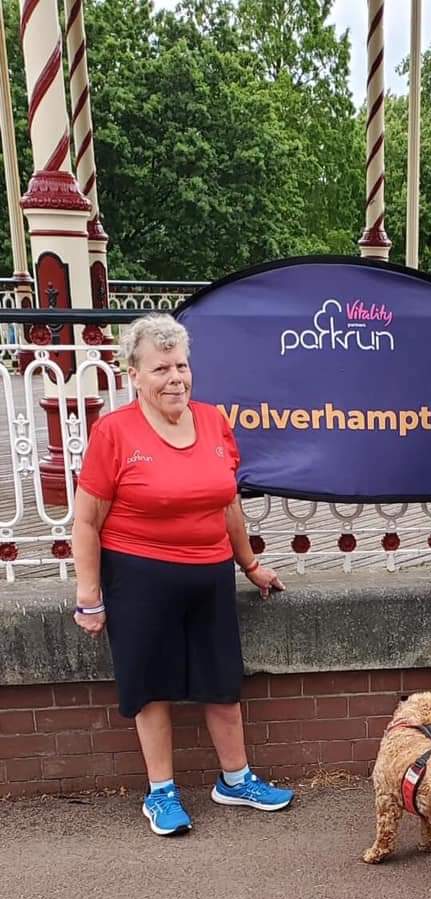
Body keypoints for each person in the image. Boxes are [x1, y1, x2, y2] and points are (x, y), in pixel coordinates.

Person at [71, 312, 293, 836]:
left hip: (209, 573)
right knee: (152, 685)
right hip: (139, 576)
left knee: (221, 681)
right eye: (161, 369)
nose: (175, 378)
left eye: (182, 366)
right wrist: (89, 594)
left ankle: (235, 780)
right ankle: (161, 792)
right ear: (134, 374)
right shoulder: (114, 432)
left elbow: (228, 503)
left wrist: (251, 565)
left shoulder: (213, 421)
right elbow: (85, 519)